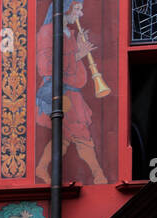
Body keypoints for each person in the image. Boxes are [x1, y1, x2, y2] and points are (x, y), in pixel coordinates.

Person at [34, 0, 107, 184]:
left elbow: (73, 70)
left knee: (66, 138)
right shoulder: (47, 32)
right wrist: (78, 55)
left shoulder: (70, 34)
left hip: (73, 94)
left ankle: (42, 168)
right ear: (66, 9)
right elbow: (45, 68)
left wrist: (80, 50)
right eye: (78, 9)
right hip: (62, 94)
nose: (81, 14)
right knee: (81, 135)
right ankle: (99, 175)